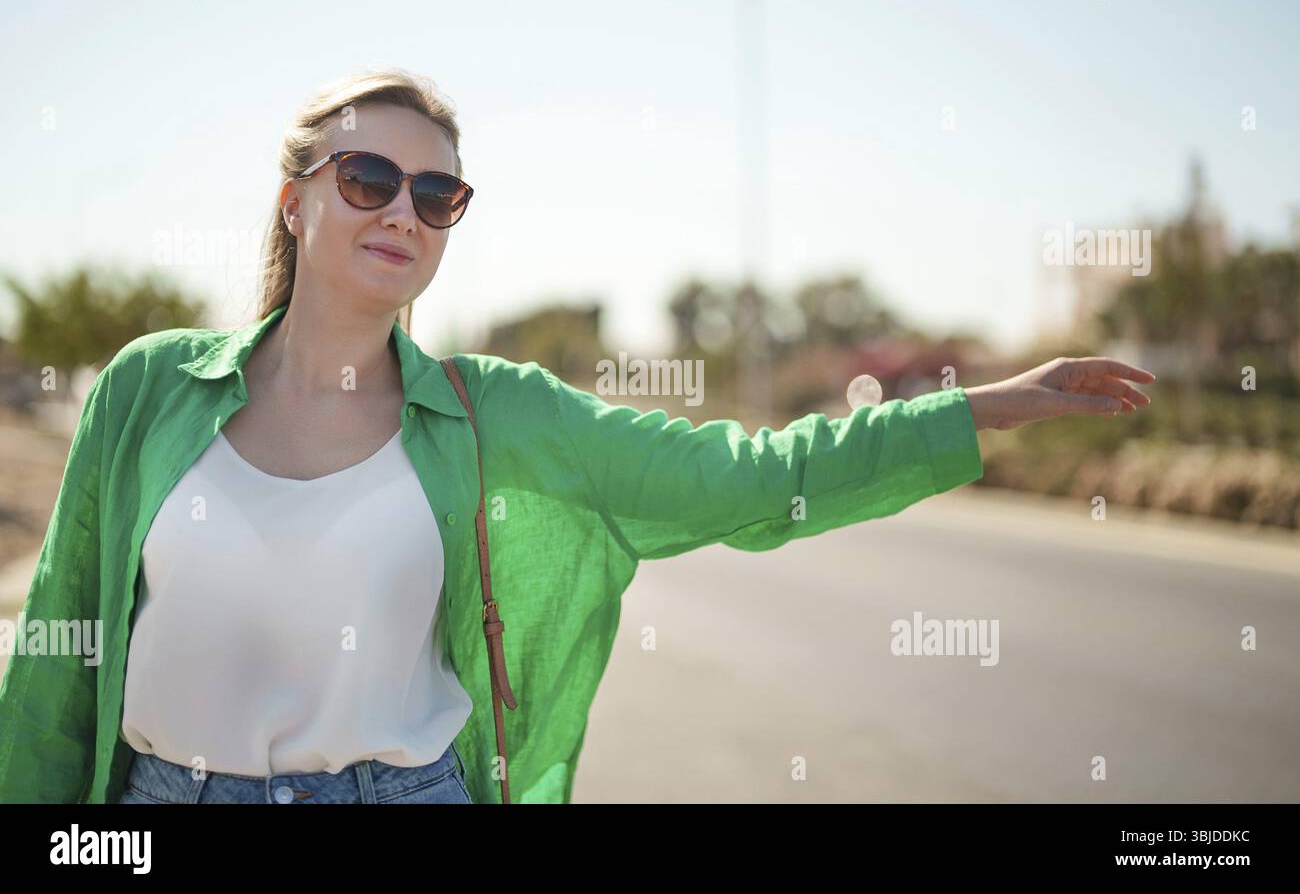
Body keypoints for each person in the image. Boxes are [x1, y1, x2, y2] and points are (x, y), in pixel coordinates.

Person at [0, 67, 1154, 805]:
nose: (402, 208)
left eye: (436, 194)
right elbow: (61, 643)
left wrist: (980, 406)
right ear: (296, 198)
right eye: (367, 177)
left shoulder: (496, 413)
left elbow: (746, 477)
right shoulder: (150, 389)